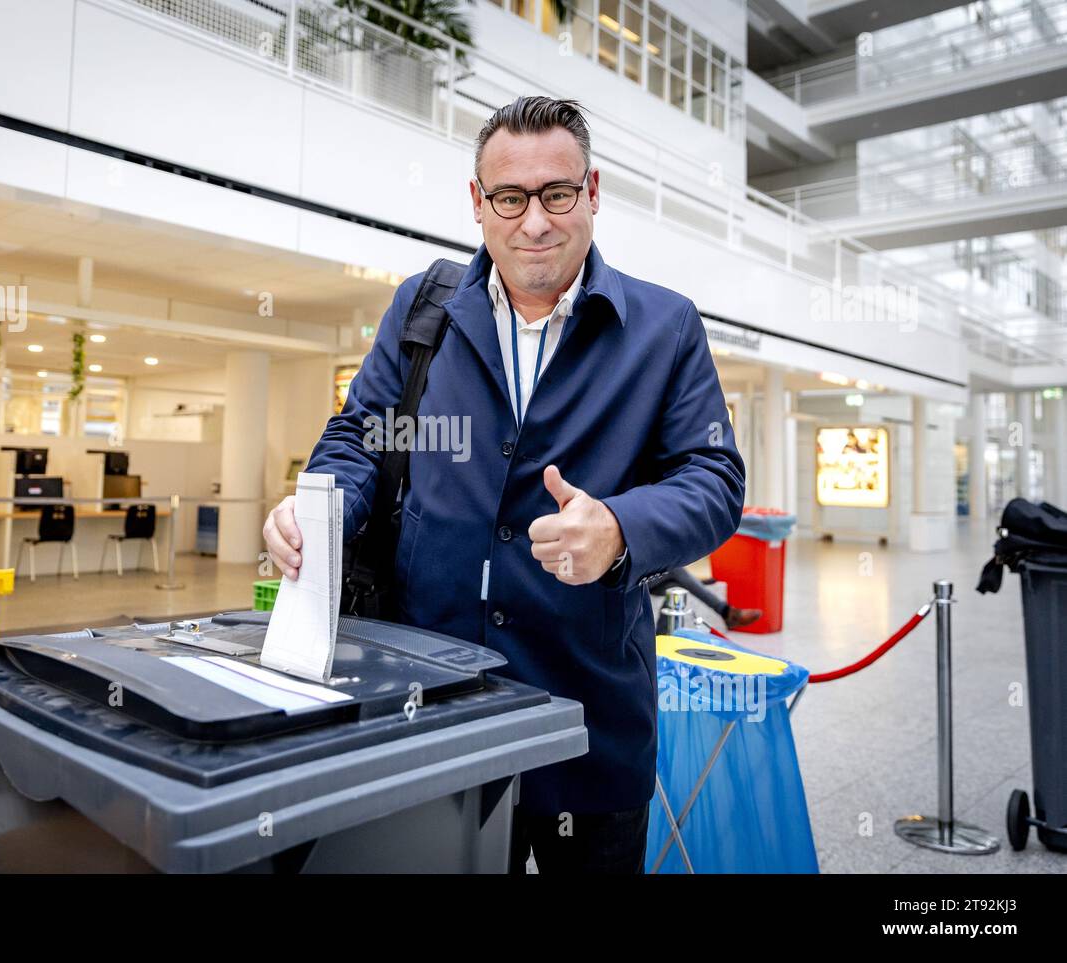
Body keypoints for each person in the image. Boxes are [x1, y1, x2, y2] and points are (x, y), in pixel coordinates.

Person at [263, 96, 745, 874]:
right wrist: (320, 510)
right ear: (477, 203)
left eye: (557, 193)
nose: (535, 223)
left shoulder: (664, 327)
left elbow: (714, 477)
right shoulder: (425, 310)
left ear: (592, 193)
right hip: (427, 708)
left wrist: (620, 527)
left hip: (585, 723)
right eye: (510, 198)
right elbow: (361, 434)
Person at [647, 567, 762, 630]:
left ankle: (661, 638)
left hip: (643, 578)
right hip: (633, 582)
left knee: (674, 587)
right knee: (675, 570)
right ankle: (726, 612)